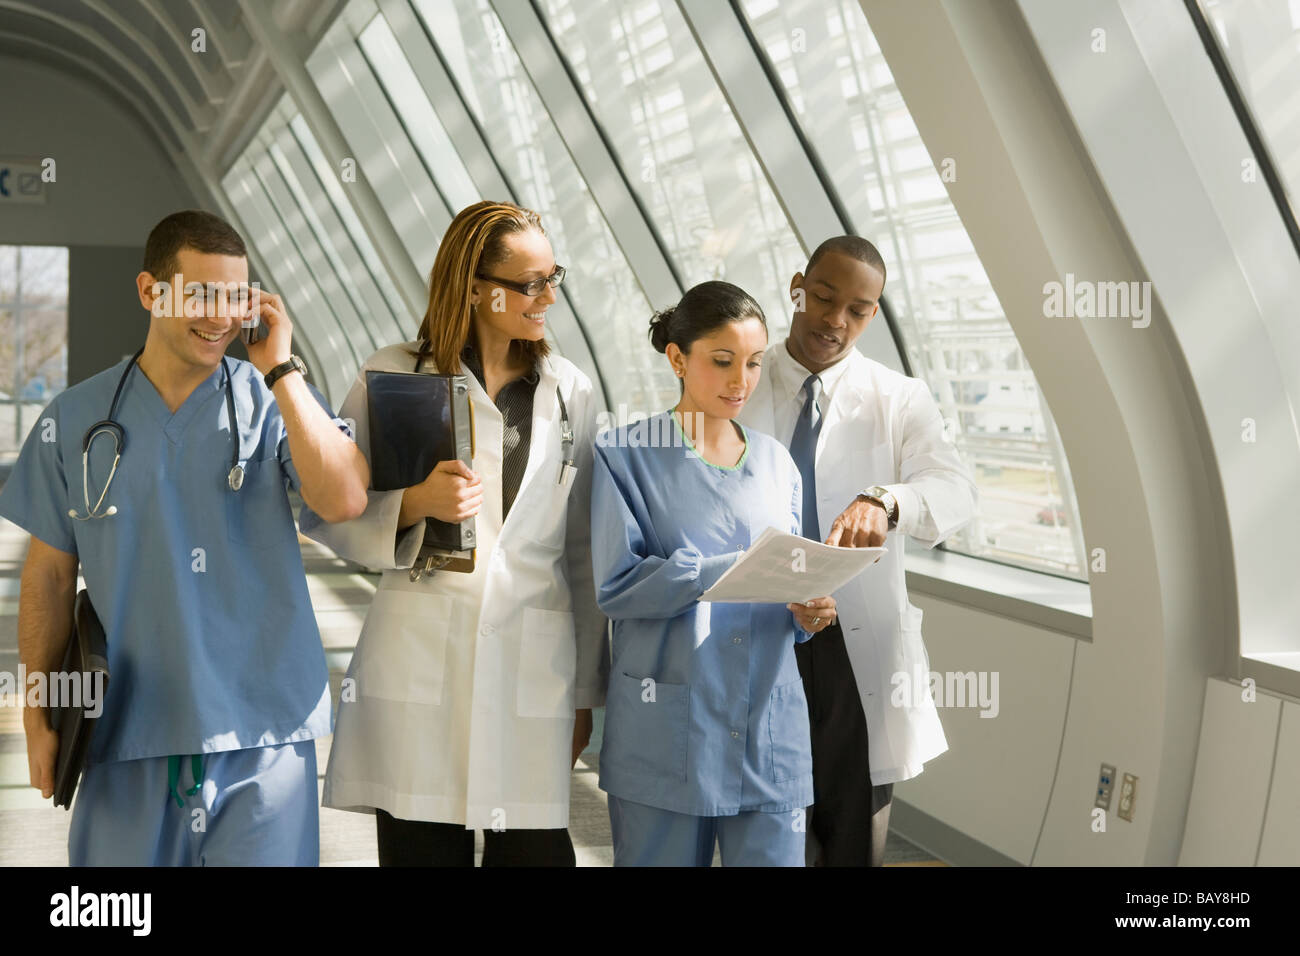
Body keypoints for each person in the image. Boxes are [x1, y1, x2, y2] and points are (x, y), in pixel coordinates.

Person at [1, 209, 369, 865]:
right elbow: (49, 580)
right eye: (201, 294)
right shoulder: (77, 419)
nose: (221, 316)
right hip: (126, 734)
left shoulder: (270, 401)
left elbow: (343, 499)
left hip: (265, 737)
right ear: (150, 292)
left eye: (236, 297)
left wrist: (282, 369)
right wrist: (37, 718)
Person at [300, 200, 607, 866]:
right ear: (474, 287)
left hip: (536, 669)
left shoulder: (569, 390)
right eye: (531, 284)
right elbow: (328, 508)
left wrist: (586, 692)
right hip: (420, 669)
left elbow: (581, 555)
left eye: (555, 278)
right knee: (420, 852)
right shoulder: (393, 375)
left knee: (537, 856)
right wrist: (410, 504)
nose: (548, 296)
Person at [737, 235, 978, 866]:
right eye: (822, 297)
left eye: (859, 309)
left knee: (852, 840)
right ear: (798, 286)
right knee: (762, 832)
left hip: (851, 643)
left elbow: (955, 493)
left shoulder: (900, 398)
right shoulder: (739, 385)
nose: (835, 320)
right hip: (756, 631)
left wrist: (888, 500)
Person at [590, 280, 837, 867]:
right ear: (677, 358)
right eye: (722, 361)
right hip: (669, 724)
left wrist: (811, 611)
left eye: (753, 363)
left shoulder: (779, 464)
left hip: (767, 727)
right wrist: (730, 570)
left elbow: (790, 586)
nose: (740, 381)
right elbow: (617, 585)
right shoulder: (623, 454)